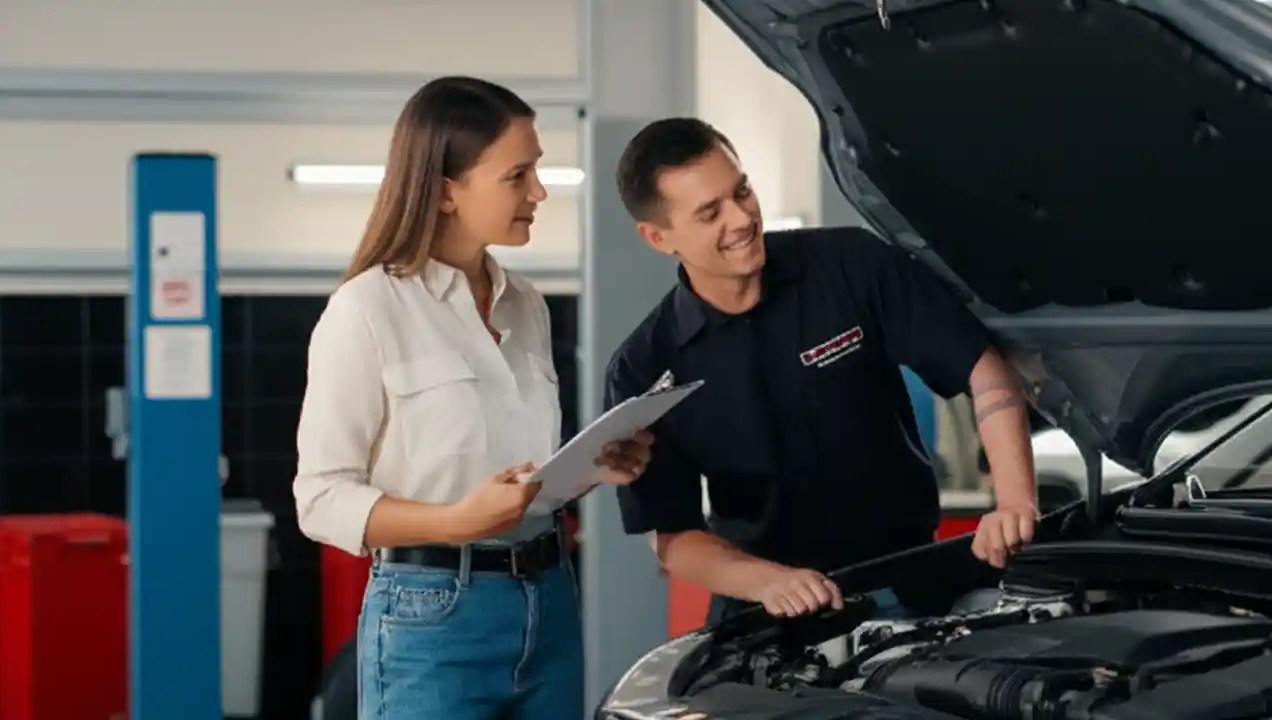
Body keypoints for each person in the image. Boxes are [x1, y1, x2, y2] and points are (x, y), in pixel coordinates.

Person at [292, 76, 653, 720]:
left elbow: (517, 481)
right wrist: (456, 521)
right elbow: (320, 500)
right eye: (518, 175)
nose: (539, 192)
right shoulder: (366, 309)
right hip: (431, 616)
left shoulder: (527, 304)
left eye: (537, 171)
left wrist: (590, 470)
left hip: (549, 602)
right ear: (444, 191)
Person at [603, 117, 1036, 624]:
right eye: (709, 213)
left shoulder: (851, 265)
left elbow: (983, 370)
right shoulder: (645, 366)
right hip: (765, 606)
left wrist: (1013, 501)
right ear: (658, 237)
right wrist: (768, 581)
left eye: (741, 191)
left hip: (907, 582)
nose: (741, 218)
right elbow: (672, 536)